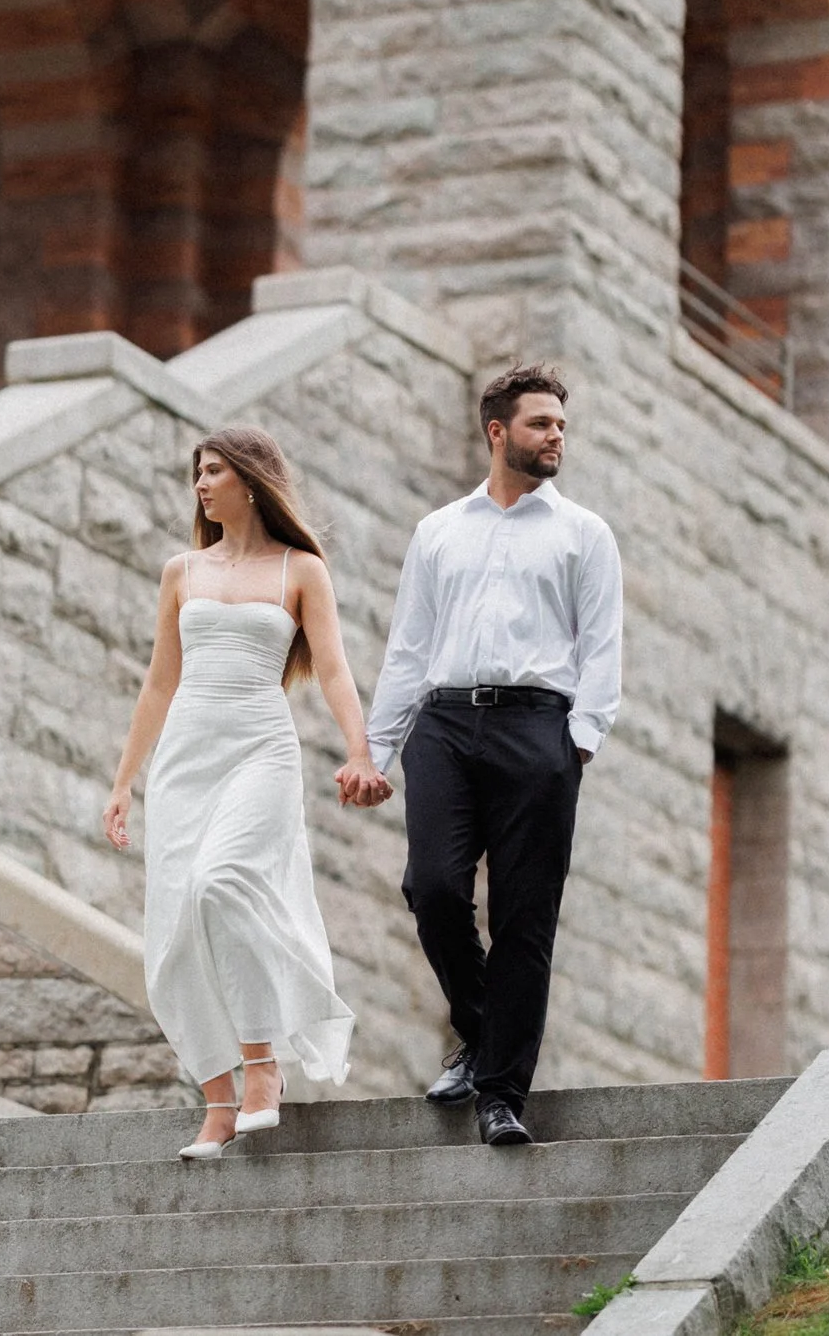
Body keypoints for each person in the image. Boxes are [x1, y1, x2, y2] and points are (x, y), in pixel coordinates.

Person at [104, 426, 393, 1160]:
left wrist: (360, 748)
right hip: (184, 759)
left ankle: (262, 1064)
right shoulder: (182, 571)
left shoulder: (302, 570)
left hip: (260, 750)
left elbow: (331, 669)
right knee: (175, 929)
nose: (200, 485)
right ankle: (218, 1100)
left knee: (221, 881)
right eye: (197, 474)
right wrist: (124, 781)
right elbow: (160, 681)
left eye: (213, 471)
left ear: (251, 480)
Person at [363, 364, 623, 1146]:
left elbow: (603, 647)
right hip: (444, 726)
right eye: (542, 425)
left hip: (539, 733)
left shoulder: (585, 534)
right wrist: (378, 750)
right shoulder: (439, 531)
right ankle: (482, 1035)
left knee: (524, 917)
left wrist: (577, 744)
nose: (557, 439)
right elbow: (409, 648)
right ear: (498, 432)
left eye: (563, 427)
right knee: (432, 888)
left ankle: (501, 1093)